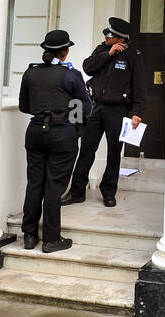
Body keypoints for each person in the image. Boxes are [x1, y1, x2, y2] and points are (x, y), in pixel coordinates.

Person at [18, 30, 91, 252]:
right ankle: (51, 239)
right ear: (65, 52)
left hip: (35, 131)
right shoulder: (71, 74)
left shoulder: (31, 73)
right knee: (54, 186)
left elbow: (24, 106)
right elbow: (85, 107)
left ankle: (29, 235)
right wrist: (74, 127)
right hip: (61, 133)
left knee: (35, 183)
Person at [62, 17, 146, 208]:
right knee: (86, 149)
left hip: (118, 109)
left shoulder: (133, 55)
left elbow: (140, 87)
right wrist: (108, 53)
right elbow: (87, 67)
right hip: (96, 107)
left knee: (114, 152)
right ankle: (76, 191)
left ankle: (109, 192)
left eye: (109, 35)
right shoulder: (102, 49)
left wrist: (137, 112)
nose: (106, 36)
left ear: (120, 39)